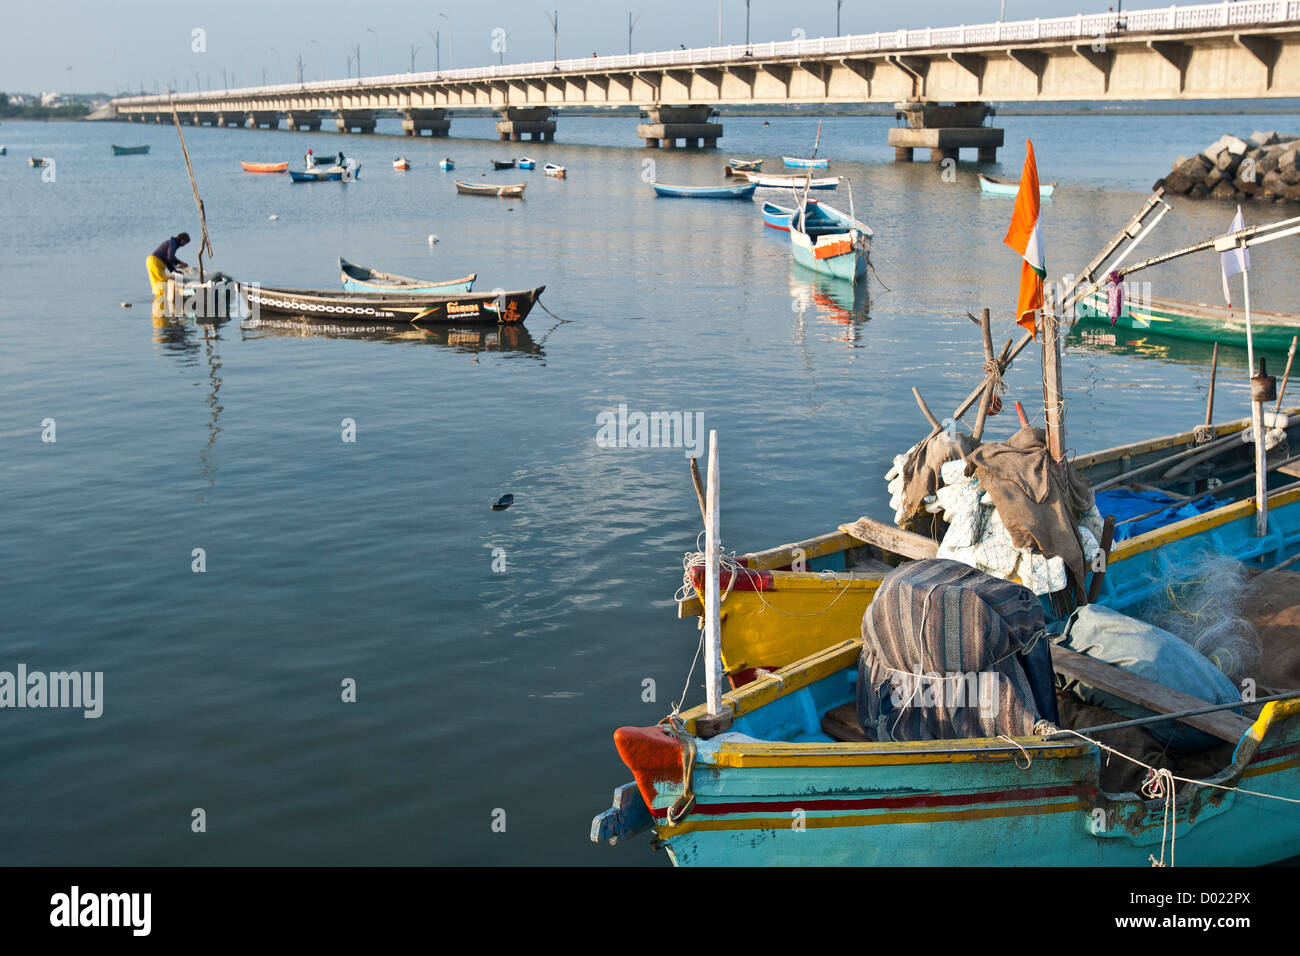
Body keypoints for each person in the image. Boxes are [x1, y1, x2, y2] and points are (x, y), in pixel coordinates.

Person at [147, 233, 190, 297]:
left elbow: (167, 260)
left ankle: (162, 298)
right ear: (182, 240)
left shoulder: (172, 243)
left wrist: (173, 270)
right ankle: (163, 299)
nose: (184, 245)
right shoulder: (173, 243)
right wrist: (180, 263)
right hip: (155, 262)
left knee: (160, 283)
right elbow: (170, 257)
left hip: (154, 261)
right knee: (161, 284)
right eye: (185, 243)